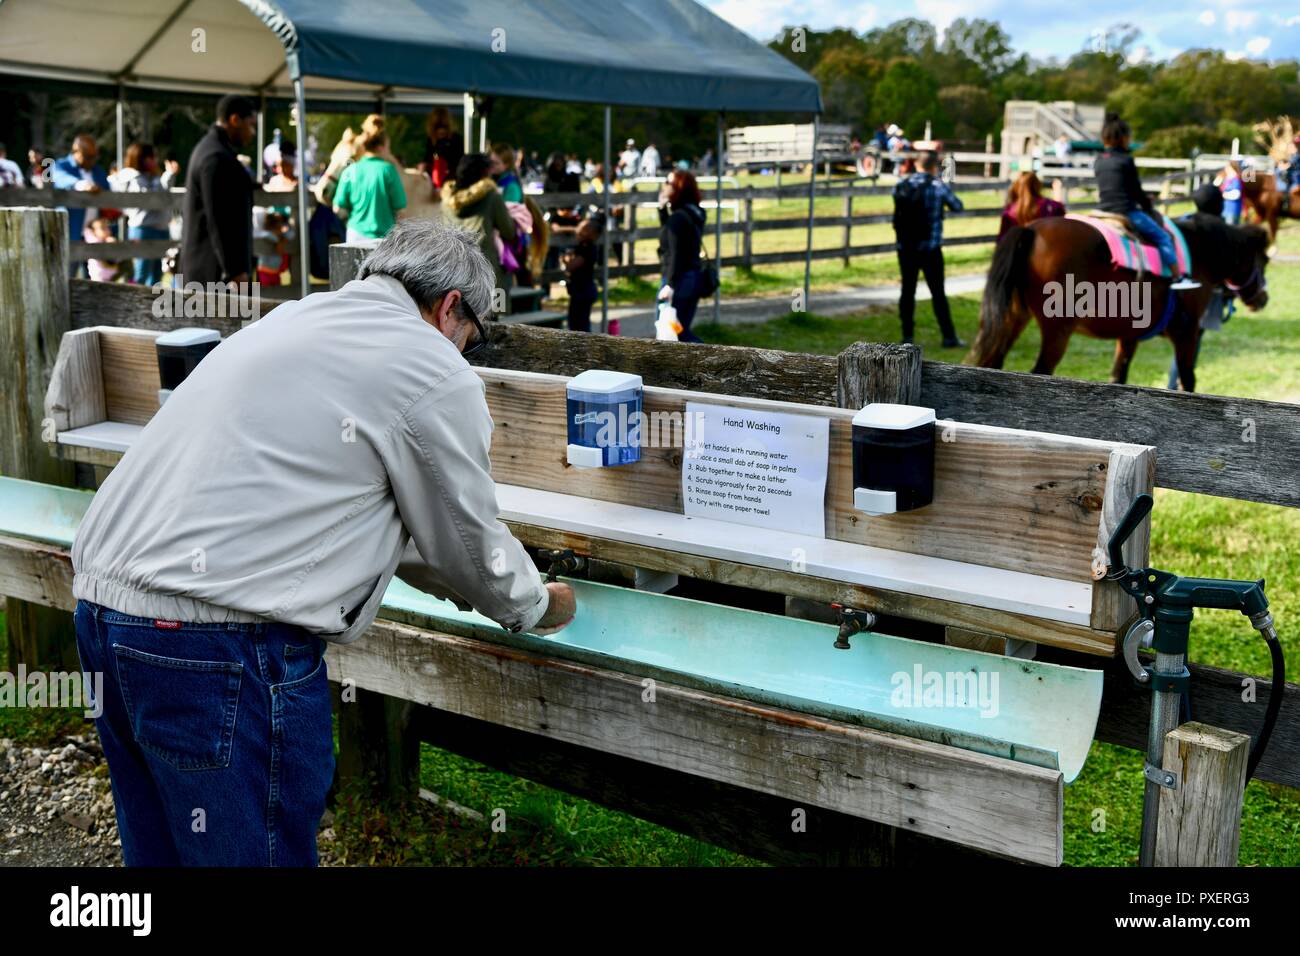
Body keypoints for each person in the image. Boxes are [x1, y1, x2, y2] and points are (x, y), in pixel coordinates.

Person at [71, 218, 576, 867]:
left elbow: (385, 522)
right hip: (216, 643)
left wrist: (478, 581)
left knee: (160, 855)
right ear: (452, 307)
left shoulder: (297, 320)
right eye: (470, 341)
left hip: (103, 611)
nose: (463, 354)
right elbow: (467, 539)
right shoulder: (429, 366)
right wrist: (537, 603)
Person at [1094, 113, 1198, 289]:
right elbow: (1135, 191)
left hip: (1103, 210)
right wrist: (1146, 203)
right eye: (1128, 137)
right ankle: (1177, 277)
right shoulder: (1125, 160)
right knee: (1163, 237)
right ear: (1123, 138)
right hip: (1125, 211)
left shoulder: (1098, 160)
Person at [181, 94, 257, 286]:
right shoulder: (215, 157)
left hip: (211, 270)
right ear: (235, 120)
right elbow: (219, 219)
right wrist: (234, 270)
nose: (253, 132)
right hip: (213, 273)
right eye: (251, 124)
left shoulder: (214, 150)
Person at [891, 151, 965, 348]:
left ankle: (907, 335)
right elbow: (958, 206)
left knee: (907, 290)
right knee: (938, 292)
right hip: (930, 249)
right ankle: (949, 336)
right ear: (934, 167)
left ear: (917, 165)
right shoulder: (938, 186)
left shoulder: (901, 185)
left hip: (905, 248)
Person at [1167, 184, 1232, 390]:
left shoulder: (1184, 222)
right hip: (1205, 296)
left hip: (1178, 292)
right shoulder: (1222, 229)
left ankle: (1176, 385)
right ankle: (1177, 387)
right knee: (1189, 342)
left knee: (1183, 341)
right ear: (1219, 204)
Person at [441, 152, 517, 292]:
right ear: (484, 173)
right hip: (486, 270)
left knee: (459, 312)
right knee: (494, 310)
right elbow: (509, 231)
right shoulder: (492, 197)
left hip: (453, 270)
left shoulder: (446, 201)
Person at [333, 114, 407, 242]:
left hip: (355, 237)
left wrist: (351, 222)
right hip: (384, 240)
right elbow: (400, 208)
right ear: (381, 146)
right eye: (388, 147)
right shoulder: (388, 170)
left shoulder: (350, 171)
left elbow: (337, 208)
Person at [656, 169, 708, 343]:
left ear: (679, 187)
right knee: (679, 330)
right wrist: (663, 211)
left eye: (668, 183)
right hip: (693, 277)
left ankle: (709, 359)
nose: (664, 186)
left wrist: (670, 284)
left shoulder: (678, 218)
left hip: (678, 279)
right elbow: (672, 235)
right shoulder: (695, 212)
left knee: (670, 332)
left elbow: (675, 253)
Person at [115, 143, 175, 286]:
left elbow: (163, 196)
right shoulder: (133, 178)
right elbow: (151, 200)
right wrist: (165, 178)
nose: (155, 160)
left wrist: (168, 176)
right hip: (143, 230)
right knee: (141, 273)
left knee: (157, 275)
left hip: (161, 229)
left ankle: (151, 305)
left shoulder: (153, 177)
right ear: (142, 159)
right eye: (151, 157)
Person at [50, 134, 110, 248]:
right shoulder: (61, 165)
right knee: (70, 264)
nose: (92, 161)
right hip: (72, 229)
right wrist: (80, 184)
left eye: (94, 157)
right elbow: (61, 178)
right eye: (88, 156)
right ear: (76, 152)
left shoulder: (97, 170)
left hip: (94, 232)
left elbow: (106, 188)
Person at [562, 216, 602, 333]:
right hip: (580, 290)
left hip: (583, 291)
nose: (579, 230)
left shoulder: (588, 249)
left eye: (584, 229)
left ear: (592, 234)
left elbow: (571, 266)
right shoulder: (582, 246)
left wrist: (566, 260)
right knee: (576, 322)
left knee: (579, 324)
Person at [998, 171, 1066, 238]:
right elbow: (1060, 213)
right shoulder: (1048, 206)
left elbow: (1002, 239)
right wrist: (1057, 191)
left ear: (1016, 187)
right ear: (1037, 185)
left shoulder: (1010, 210)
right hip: (1043, 246)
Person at [423, 107, 463, 191]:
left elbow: (427, 160)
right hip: (451, 181)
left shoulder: (432, 139)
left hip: (437, 181)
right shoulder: (456, 138)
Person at [84, 217, 123, 282]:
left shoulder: (109, 240)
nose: (107, 230)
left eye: (107, 228)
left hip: (112, 277)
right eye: (103, 228)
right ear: (93, 232)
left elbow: (119, 259)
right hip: (99, 277)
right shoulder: (94, 242)